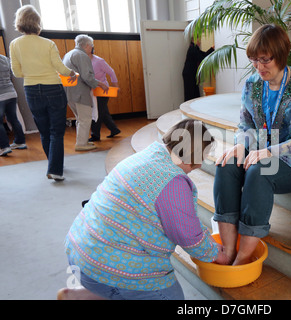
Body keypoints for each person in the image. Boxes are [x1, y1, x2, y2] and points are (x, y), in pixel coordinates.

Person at [58, 119, 230, 300]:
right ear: (193, 156)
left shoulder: (150, 154)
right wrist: (216, 254)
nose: (200, 166)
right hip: (107, 267)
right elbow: (188, 235)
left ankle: (78, 297)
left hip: (81, 250)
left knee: (114, 290)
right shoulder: (172, 182)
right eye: (200, 159)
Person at [213, 24, 291, 266]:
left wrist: (268, 151)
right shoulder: (253, 84)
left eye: (265, 60)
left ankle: (244, 257)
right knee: (226, 164)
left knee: (260, 170)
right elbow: (245, 126)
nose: (258, 67)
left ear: (281, 55)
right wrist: (242, 145)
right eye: (254, 60)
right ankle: (229, 249)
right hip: (262, 151)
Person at [10, 5, 77, 181]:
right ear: (37, 23)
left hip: (31, 90)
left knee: (45, 131)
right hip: (53, 88)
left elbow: (17, 73)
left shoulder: (14, 44)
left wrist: (32, 73)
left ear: (19, 23)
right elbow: (60, 68)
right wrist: (71, 73)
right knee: (57, 131)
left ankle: (53, 165)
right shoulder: (48, 44)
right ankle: (55, 168)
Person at [63, 35, 109, 151]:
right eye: (92, 46)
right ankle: (82, 144)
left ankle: (81, 141)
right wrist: (101, 84)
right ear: (87, 46)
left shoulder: (68, 54)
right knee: (85, 118)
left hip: (69, 92)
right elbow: (87, 76)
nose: (92, 49)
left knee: (80, 119)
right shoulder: (82, 55)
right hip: (80, 92)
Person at [87, 49, 121, 142]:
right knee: (103, 112)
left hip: (102, 91)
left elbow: (111, 72)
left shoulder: (99, 61)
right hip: (92, 91)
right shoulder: (84, 61)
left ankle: (95, 135)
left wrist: (116, 86)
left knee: (96, 112)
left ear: (89, 49)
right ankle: (114, 129)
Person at [0, 54, 27, 156]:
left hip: (0, 95)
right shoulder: (5, 58)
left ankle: (4, 147)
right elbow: (11, 74)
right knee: (13, 118)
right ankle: (20, 142)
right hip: (11, 93)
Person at [182, 38, 214, 102]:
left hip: (190, 73)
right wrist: (212, 49)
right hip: (189, 74)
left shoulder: (194, 47)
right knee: (191, 92)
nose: (200, 42)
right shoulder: (193, 48)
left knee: (193, 91)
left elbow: (203, 54)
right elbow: (202, 57)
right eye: (199, 40)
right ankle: (190, 106)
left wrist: (212, 49)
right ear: (195, 40)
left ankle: (193, 105)